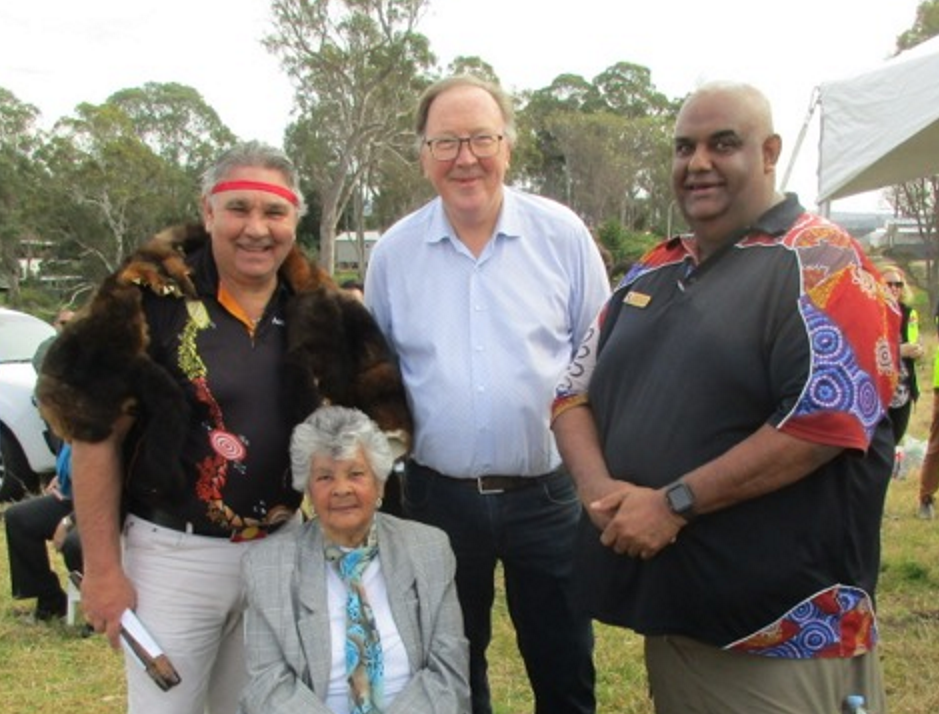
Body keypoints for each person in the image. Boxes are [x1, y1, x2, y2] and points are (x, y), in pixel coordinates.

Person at [551, 81, 899, 714]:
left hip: (785, 632)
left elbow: (824, 422)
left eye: (723, 144)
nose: (698, 163)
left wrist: (673, 503)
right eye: (685, 147)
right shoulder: (653, 269)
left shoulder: (826, 267)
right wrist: (600, 493)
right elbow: (571, 396)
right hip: (680, 613)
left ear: (769, 153)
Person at [36, 140, 412, 714]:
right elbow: (92, 436)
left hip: (280, 555)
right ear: (208, 211)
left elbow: (379, 428)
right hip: (173, 557)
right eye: (238, 208)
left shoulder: (324, 310)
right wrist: (105, 572)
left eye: (274, 213)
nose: (256, 229)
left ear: (295, 221)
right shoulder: (146, 299)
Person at [365, 75, 608, 714]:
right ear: (423, 154)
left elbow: (601, 359)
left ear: (507, 146)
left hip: (549, 498)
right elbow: (379, 381)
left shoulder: (563, 237)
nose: (464, 158)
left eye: (480, 138)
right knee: (448, 675)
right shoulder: (393, 254)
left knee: (565, 670)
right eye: (446, 142)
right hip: (436, 501)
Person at [239, 406, 470, 714]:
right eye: (324, 477)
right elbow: (268, 686)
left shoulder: (428, 548)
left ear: (380, 484)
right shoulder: (267, 566)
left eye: (356, 474)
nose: (341, 489)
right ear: (307, 489)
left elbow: (448, 675)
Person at [4, 442, 82, 622]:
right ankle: (51, 602)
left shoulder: (98, 426)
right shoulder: (66, 427)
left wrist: (68, 521)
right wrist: (61, 478)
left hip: (100, 508)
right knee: (19, 518)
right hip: (71, 500)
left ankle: (97, 613)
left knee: (73, 543)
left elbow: (106, 491)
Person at [882, 266, 923, 447]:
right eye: (888, 284)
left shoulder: (908, 314)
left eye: (898, 284)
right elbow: (866, 349)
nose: (894, 288)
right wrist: (899, 351)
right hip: (879, 391)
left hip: (903, 391)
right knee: (879, 448)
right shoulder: (872, 312)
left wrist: (918, 351)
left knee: (894, 443)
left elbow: (914, 342)